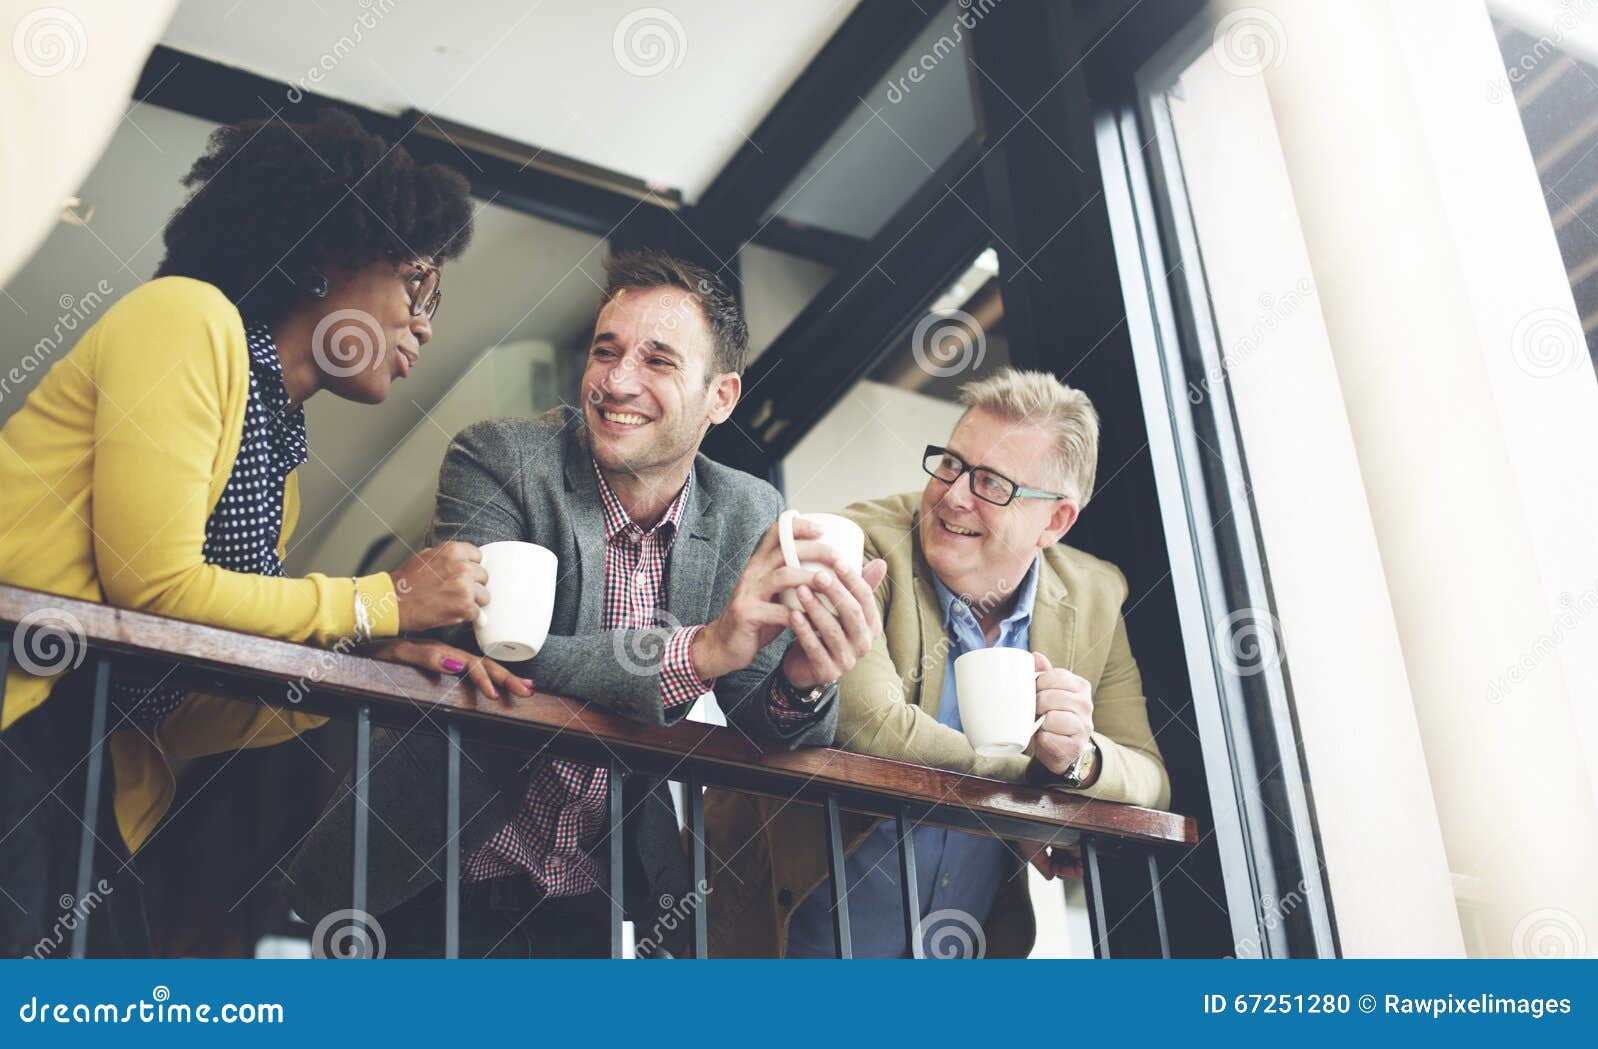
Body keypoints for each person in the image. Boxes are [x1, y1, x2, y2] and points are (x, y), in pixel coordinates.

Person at [0, 108, 520, 957]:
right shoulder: (185, 319)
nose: (426, 322)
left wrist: (351, 663)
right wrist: (381, 600)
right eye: (416, 282)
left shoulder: (275, 452)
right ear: (329, 259)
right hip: (22, 720)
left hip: (89, 779)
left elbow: (180, 702)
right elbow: (153, 585)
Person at [287, 250, 888, 957]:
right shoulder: (498, 458)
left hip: (595, 897)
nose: (617, 380)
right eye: (607, 351)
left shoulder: (747, 509)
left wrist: (808, 679)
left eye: (658, 360)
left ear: (720, 397)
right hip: (433, 868)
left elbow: (771, 720)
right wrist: (699, 652)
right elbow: (489, 654)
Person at [704, 367, 1171, 957]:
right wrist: (1041, 788)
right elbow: (871, 730)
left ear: (1055, 520)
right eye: (950, 463)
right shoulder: (861, 542)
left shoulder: (1096, 595)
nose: (953, 496)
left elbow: (1149, 778)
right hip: (793, 936)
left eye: (991, 484)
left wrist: (1079, 759)